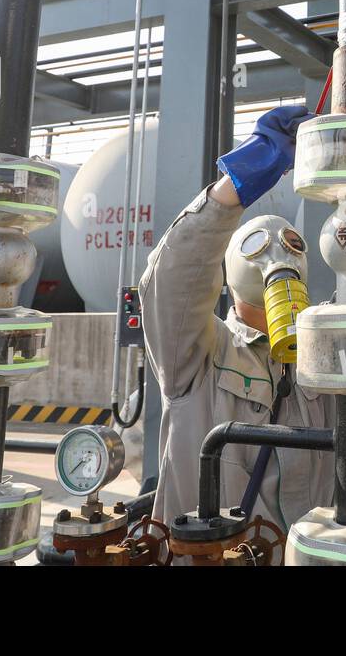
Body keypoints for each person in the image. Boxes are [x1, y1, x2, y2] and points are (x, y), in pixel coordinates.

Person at [138, 105, 334, 539]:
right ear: (227, 265)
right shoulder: (198, 356)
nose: (278, 254)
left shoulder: (325, 356)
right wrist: (237, 185)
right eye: (257, 244)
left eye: (290, 242)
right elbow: (173, 274)